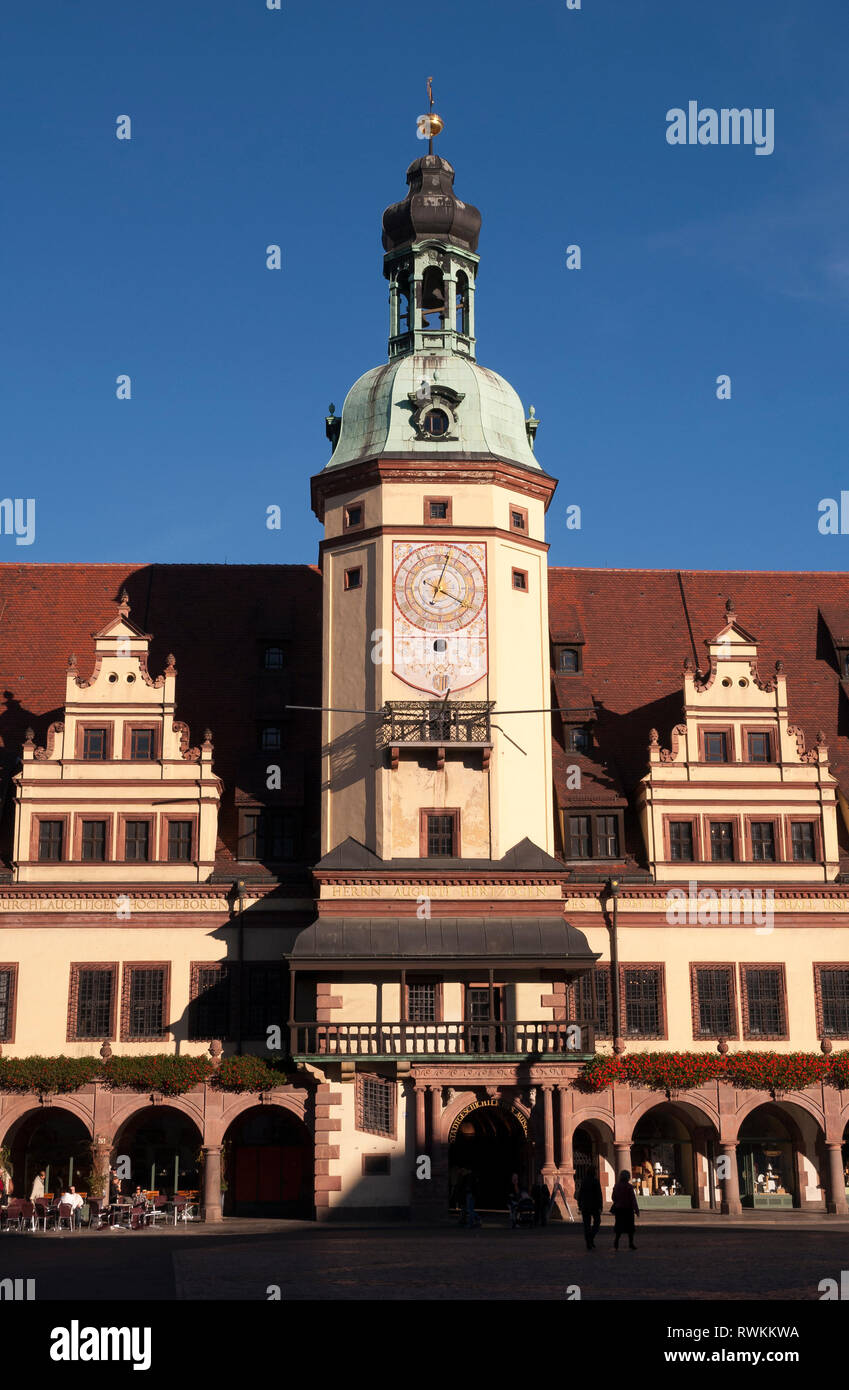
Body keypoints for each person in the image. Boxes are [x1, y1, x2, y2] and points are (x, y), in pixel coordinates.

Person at [611, 1169, 639, 1250]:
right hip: (628, 1210)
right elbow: (633, 1199)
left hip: (619, 1209)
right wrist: (636, 1210)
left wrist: (617, 1202)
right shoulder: (629, 1187)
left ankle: (616, 1242)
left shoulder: (616, 1186)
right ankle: (631, 1243)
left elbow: (613, 1197)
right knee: (630, 1227)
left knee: (619, 1226)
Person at [577, 1169, 603, 1250]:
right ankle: (591, 1238)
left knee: (586, 1225)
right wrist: (600, 1205)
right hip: (594, 1205)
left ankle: (588, 1241)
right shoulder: (596, 1181)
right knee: (597, 1222)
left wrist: (579, 1204)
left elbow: (580, 1193)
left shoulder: (584, 1181)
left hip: (585, 1206)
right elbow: (599, 1194)